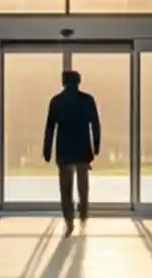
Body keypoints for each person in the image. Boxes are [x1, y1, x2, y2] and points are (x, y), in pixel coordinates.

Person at [42, 69, 101, 235]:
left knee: (65, 189)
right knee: (83, 187)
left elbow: (50, 128)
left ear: (63, 82)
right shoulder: (87, 100)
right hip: (82, 150)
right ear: (79, 81)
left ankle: (69, 220)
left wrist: (47, 150)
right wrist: (96, 146)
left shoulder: (56, 101)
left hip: (64, 151)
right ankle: (83, 214)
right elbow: (95, 124)